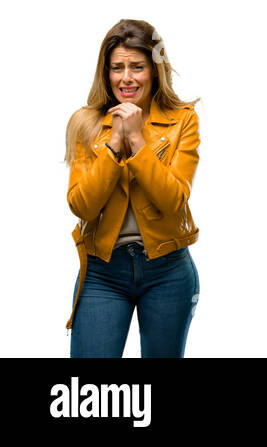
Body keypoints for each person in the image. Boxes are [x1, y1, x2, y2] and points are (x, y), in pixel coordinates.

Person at [65, 19, 201, 358]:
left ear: (155, 71)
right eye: (117, 68)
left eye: (137, 67)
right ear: (106, 72)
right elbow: (81, 206)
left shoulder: (183, 120)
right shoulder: (85, 122)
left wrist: (138, 140)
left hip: (167, 269)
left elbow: (175, 202)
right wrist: (113, 143)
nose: (126, 78)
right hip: (102, 272)